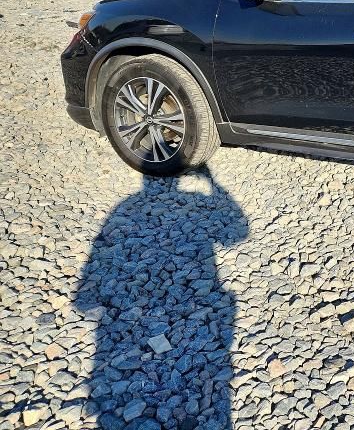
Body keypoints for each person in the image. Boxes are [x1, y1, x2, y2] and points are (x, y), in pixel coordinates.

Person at [75, 172, 248, 430]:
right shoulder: (140, 203)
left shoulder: (127, 205)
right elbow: (239, 232)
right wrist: (214, 184)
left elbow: (83, 301)